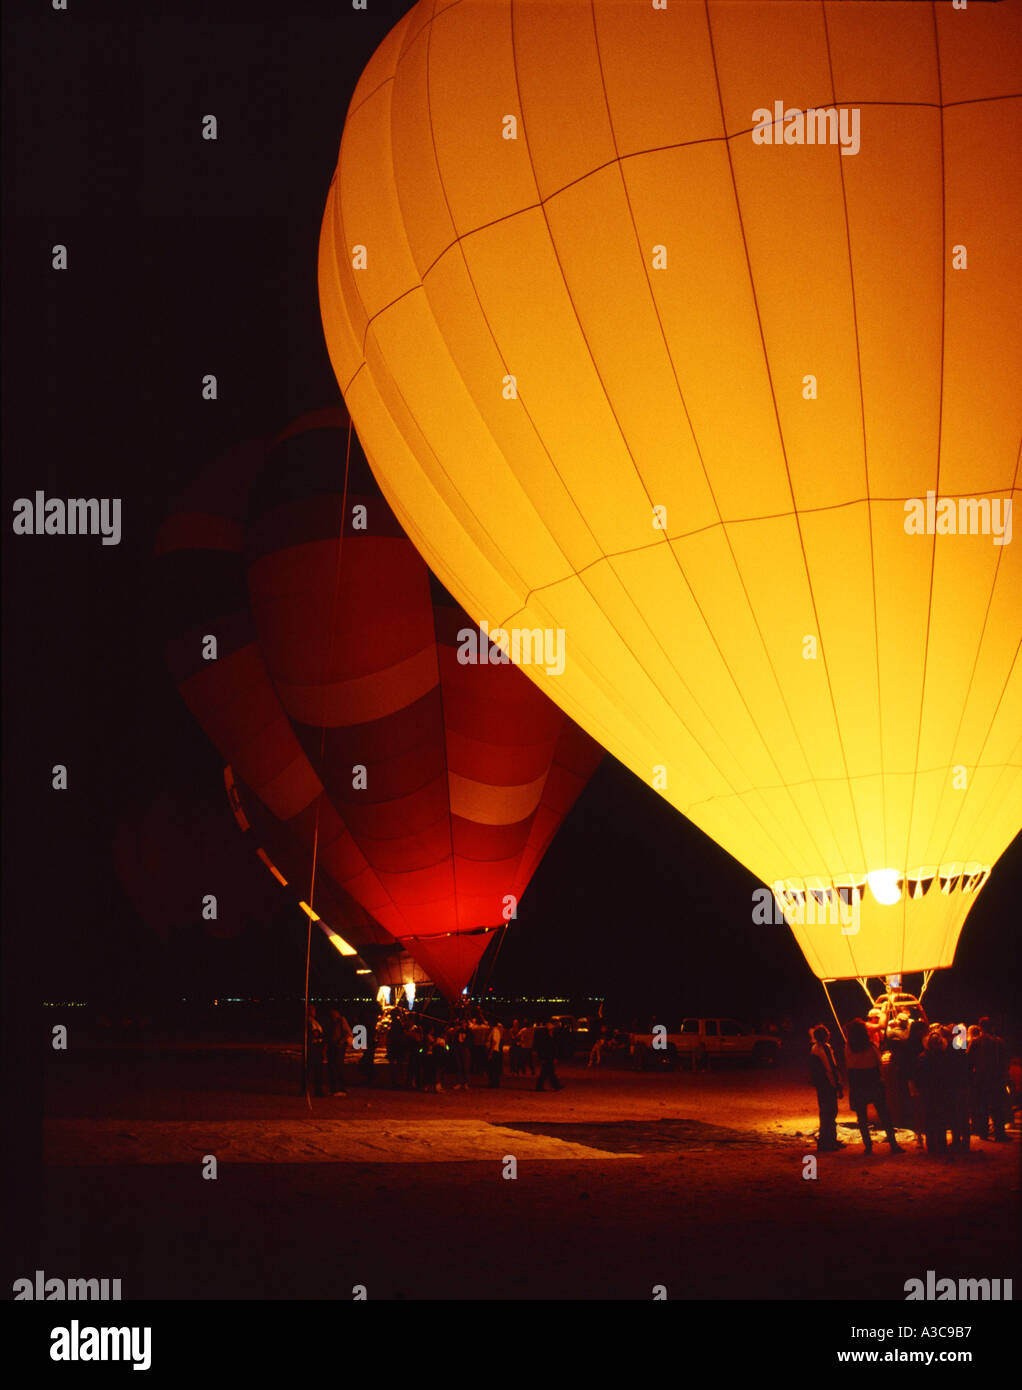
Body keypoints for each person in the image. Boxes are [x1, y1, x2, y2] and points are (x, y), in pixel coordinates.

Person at [844, 1017, 903, 1155]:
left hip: (857, 1083)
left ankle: (868, 1146)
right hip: (873, 1081)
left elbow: (848, 1065)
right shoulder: (871, 1047)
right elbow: (879, 1063)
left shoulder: (848, 1048)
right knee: (884, 1114)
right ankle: (893, 1145)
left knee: (862, 1118)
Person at [970, 1017, 1009, 1141]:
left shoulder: (975, 1042)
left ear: (980, 1027)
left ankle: (983, 1133)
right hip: (996, 1078)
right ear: (992, 1027)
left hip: (980, 1078)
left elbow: (969, 1060)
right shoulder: (999, 1042)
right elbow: (1005, 1061)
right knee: (997, 1107)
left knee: (982, 1106)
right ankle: (999, 1134)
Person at [808, 1024, 844, 1151]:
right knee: (827, 1113)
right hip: (826, 1084)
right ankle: (825, 1142)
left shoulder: (822, 1048)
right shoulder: (819, 1050)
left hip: (827, 1083)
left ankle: (831, 1139)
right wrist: (836, 1083)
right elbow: (829, 1068)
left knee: (830, 1112)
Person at [915, 1029, 950, 1155]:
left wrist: (920, 1089)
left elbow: (918, 1076)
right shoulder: (945, 1057)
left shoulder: (923, 1057)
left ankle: (932, 1146)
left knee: (930, 1118)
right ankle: (941, 1145)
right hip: (939, 1091)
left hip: (929, 1092)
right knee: (940, 1118)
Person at [326, 1008, 353, 1096]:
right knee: (332, 1067)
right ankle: (334, 1088)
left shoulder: (341, 1020)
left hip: (339, 1047)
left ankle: (341, 1088)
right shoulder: (331, 1021)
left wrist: (340, 1042)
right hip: (332, 1046)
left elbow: (348, 1033)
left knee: (338, 1067)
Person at [304, 1005, 327, 1097]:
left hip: (318, 1047)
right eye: (312, 1010)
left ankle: (318, 1089)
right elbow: (314, 1034)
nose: (314, 1012)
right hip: (313, 1047)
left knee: (319, 1070)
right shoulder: (308, 1022)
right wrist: (319, 1035)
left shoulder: (315, 1021)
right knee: (312, 1069)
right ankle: (307, 1089)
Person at [535, 1020, 563, 1092]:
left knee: (549, 1072)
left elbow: (552, 1046)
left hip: (549, 1056)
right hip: (546, 1056)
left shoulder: (551, 1034)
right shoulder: (544, 1034)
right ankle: (553, 1085)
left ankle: (554, 1085)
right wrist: (542, 1056)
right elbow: (542, 1046)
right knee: (547, 1072)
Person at [486, 1019, 505, 1088]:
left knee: (493, 1069)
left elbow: (494, 1042)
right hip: (494, 1051)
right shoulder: (495, 1031)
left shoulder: (495, 1031)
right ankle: (495, 1083)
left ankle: (493, 1084)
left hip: (494, 1051)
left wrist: (490, 1053)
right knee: (494, 1069)